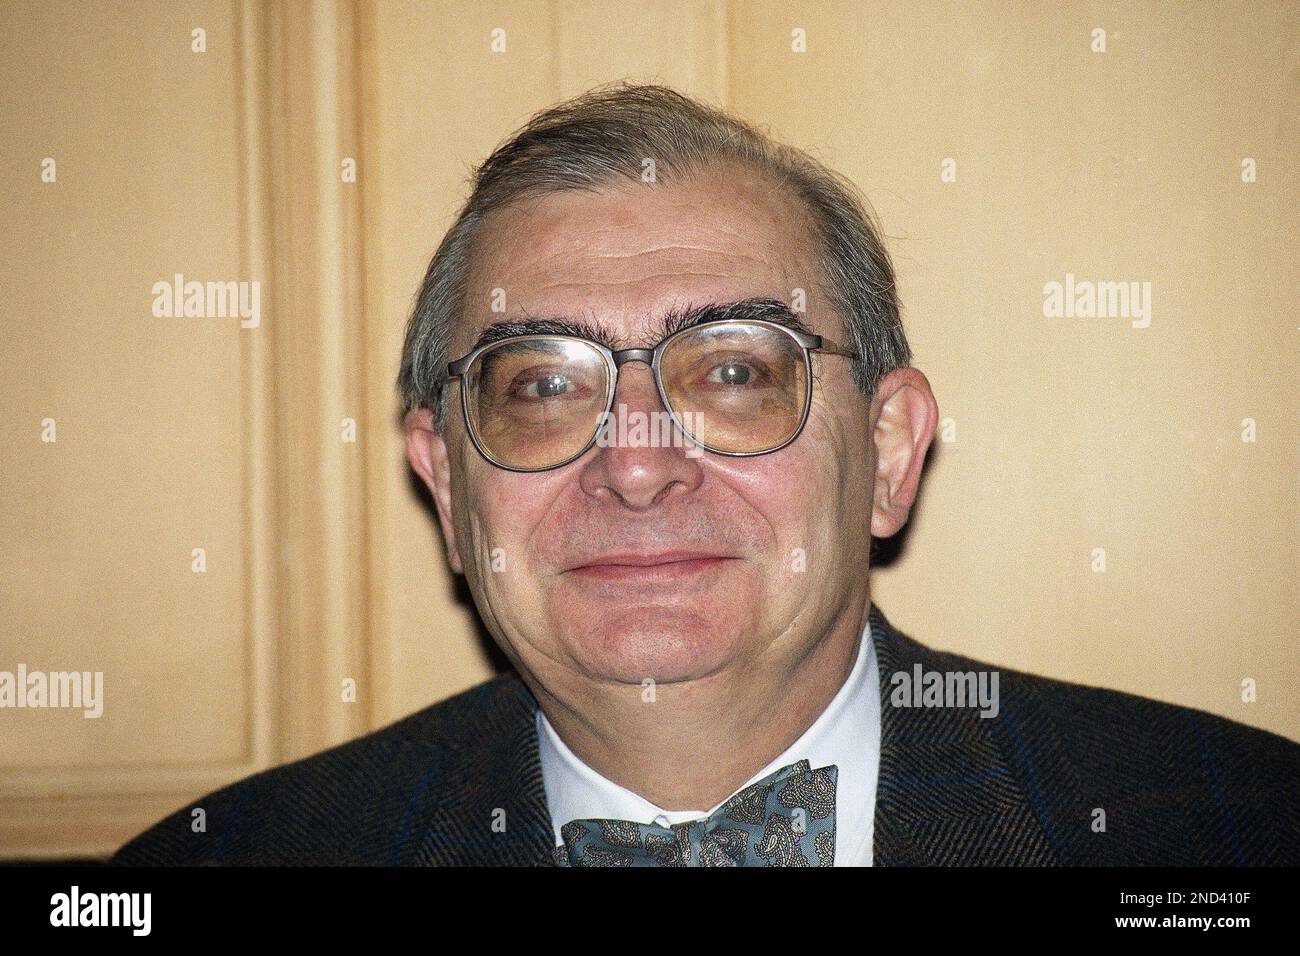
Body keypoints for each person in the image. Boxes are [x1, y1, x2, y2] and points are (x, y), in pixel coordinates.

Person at [114, 83, 1300, 866]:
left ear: (887, 452)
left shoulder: (1234, 833)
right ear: (446, 487)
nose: (635, 464)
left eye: (733, 371)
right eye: (541, 385)